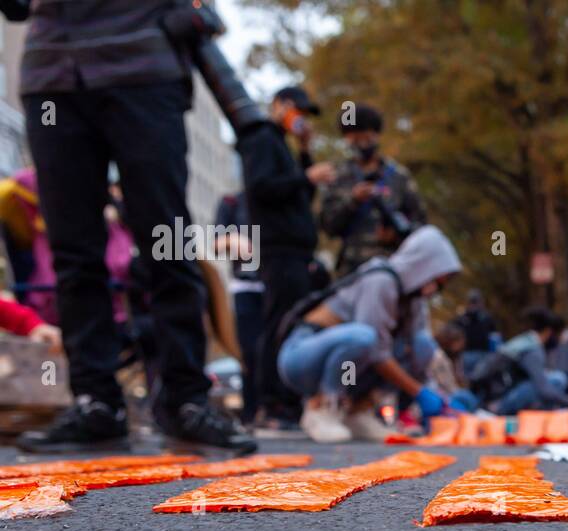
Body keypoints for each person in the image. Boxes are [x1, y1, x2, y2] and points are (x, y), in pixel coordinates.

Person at [6, 0, 255, 454]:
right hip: (54, 76)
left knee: (167, 244)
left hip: (143, 70)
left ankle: (186, 400)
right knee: (72, 250)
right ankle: (96, 402)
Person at [277, 225, 461, 443]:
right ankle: (323, 406)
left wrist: (442, 396)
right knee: (363, 337)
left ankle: (358, 412)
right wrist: (418, 391)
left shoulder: (413, 301)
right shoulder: (381, 281)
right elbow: (375, 351)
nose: (437, 289)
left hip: (352, 366)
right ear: (424, 266)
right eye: (439, 280)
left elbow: (416, 350)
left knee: (422, 346)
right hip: (302, 358)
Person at [242, 85, 336, 431]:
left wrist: (306, 155)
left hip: (296, 250)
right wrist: (305, 174)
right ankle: (272, 404)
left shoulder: (283, 144)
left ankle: (285, 400)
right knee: (279, 321)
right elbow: (263, 188)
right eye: (299, 110)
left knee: (292, 321)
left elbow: (299, 195)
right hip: (278, 248)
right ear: (280, 105)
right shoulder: (262, 138)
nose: (302, 119)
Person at [319, 104, 428, 277]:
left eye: (366, 139)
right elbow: (328, 226)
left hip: (393, 268)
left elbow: (421, 226)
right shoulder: (337, 176)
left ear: (376, 136)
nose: (361, 145)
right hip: (351, 271)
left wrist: (396, 235)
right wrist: (353, 201)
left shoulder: (399, 177)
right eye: (355, 140)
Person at [469, 307, 568, 415]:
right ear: (548, 332)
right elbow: (543, 389)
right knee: (558, 379)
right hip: (500, 402)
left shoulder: (523, 342)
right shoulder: (533, 350)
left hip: (491, 397)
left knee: (548, 378)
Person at [214, 192, 263, 425]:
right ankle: (252, 409)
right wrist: (232, 239)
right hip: (245, 284)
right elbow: (215, 243)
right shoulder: (232, 202)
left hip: (277, 283)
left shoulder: (276, 198)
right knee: (250, 350)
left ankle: (277, 407)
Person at [453, 289, 500, 377]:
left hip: (484, 355)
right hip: (466, 356)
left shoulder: (487, 318)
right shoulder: (461, 320)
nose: (474, 305)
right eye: (472, 302)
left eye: (476, 302)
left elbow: (495, 338)